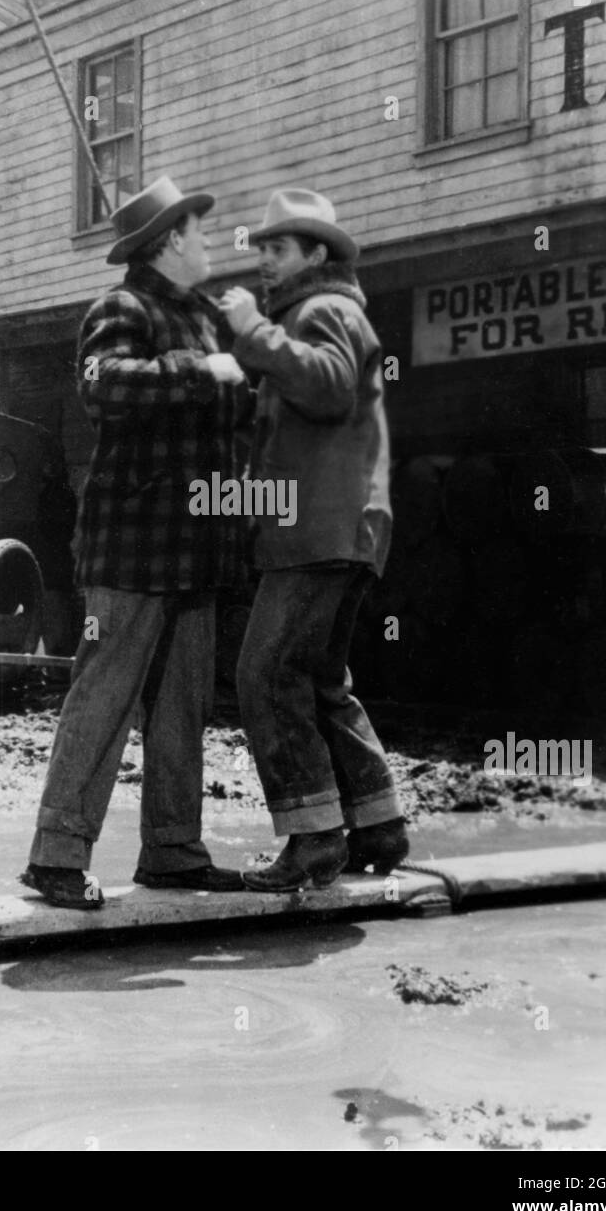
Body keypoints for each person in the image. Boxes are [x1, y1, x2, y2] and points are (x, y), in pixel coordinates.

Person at [21, 176, 253, 909]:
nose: (210, 243)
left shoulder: (204, 319)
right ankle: (55, 857)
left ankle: (174, 851)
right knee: (104, 697)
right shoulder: (120, 308)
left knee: (183, 706)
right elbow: (105, 386)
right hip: (130, 549)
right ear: (170, 242)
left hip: (195, 550)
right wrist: (199, 370)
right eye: (200, 232)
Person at [217, 188, 408, 892]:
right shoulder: (317, 316)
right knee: (321, 679)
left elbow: (327, 389)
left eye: (277, 249)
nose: (264, 262)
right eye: (261, 250)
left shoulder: (321, 311)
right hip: (341, 526)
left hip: (318, 528)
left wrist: (251, 334)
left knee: (264, 674)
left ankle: (313, 837)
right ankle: (377, 824)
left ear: (316, 253)